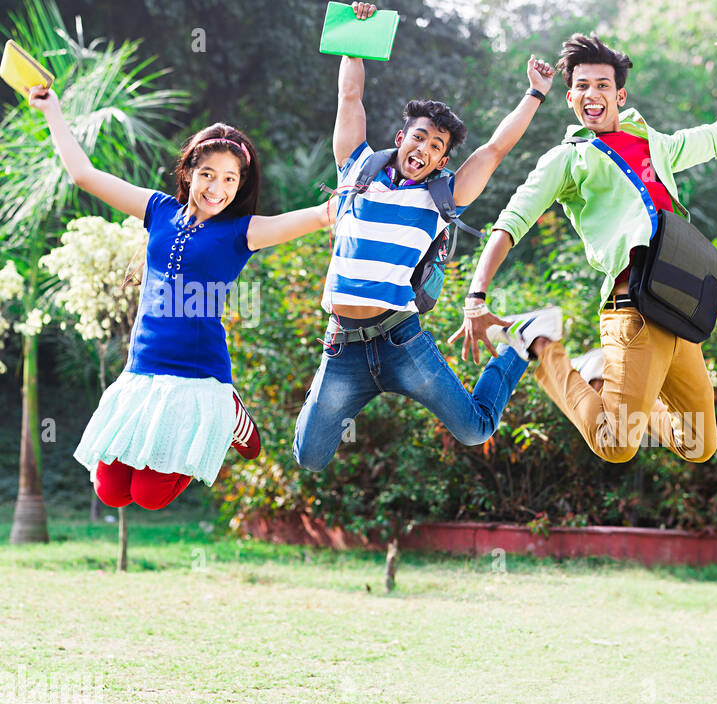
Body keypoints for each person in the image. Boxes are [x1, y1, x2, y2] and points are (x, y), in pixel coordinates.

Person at [455, 31, 717, 464]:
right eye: (582, 86)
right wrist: (475, 298)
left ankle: (602, 376)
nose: (592, 94)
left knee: (699, 444)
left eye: (602, 85)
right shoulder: (569, 158)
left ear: (620, 95)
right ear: (570, 98)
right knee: (616, 445)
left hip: (678, 312)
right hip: (633, 310)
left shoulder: (657, 146)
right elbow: (511, 222)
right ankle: (541, 342)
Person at [29, 85, 332, 510]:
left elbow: (319, 215)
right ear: (189, 172)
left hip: (197, 375)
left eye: (229, 179)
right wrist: (52, 112)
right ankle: (218, 417)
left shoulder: (242, 231)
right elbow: (84, 175)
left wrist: (364, 194)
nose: (216, 187)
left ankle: (227, 413)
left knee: (150, 497)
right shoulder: (158, 210)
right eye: (208, 174)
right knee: (111, 492)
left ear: (240, 184)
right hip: (143, 368)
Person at [292, 2, 559, 472]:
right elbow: (350, 97)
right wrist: (358, 33)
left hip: (401, 340)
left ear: (441, 161)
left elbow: (494, 149)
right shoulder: (355, 169)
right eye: (419, 137)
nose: (425, 148)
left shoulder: (442, 198)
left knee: (476, 429)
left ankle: (517, 342)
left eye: (436, 146)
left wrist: (534, 93)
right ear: (401, 138)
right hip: (343, 346)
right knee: (309, 457)